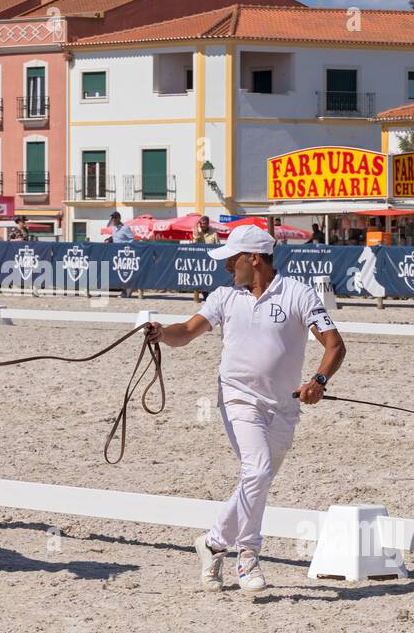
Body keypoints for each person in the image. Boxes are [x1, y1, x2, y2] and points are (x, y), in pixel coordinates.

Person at [144, 224, 346, 592]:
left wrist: (318, 381)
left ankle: (213, 542)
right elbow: (187, 332)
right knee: (258, 469)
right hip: (237, 398)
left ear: (253, 259)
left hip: (284, 406)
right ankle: (248, 556)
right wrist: (161, 332)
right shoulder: (224, 296)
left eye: (231, 260)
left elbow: (334, 345)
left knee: (258, 479)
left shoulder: (299, 295)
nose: (226, 268)